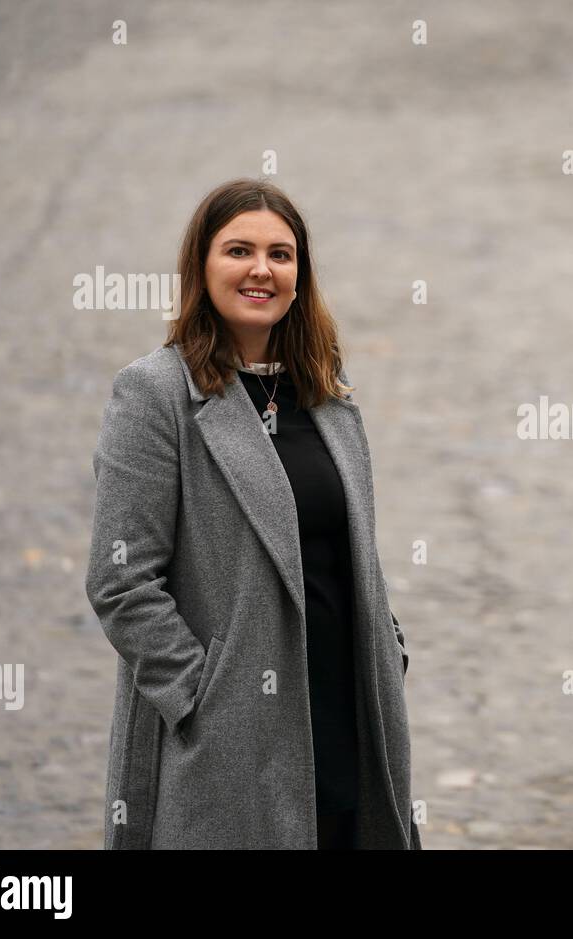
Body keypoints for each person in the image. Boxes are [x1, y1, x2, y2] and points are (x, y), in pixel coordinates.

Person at [86, 178, 420, 849]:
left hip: (347, 711)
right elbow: (120, 580)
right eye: (239, 250)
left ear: (300, 274)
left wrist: (388, 641)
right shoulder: (155, 394)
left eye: (281, 253)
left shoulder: (324, 388)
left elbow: (348, 544)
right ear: (201, 266)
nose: (261, 269)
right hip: (230, 741)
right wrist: (202, 696)